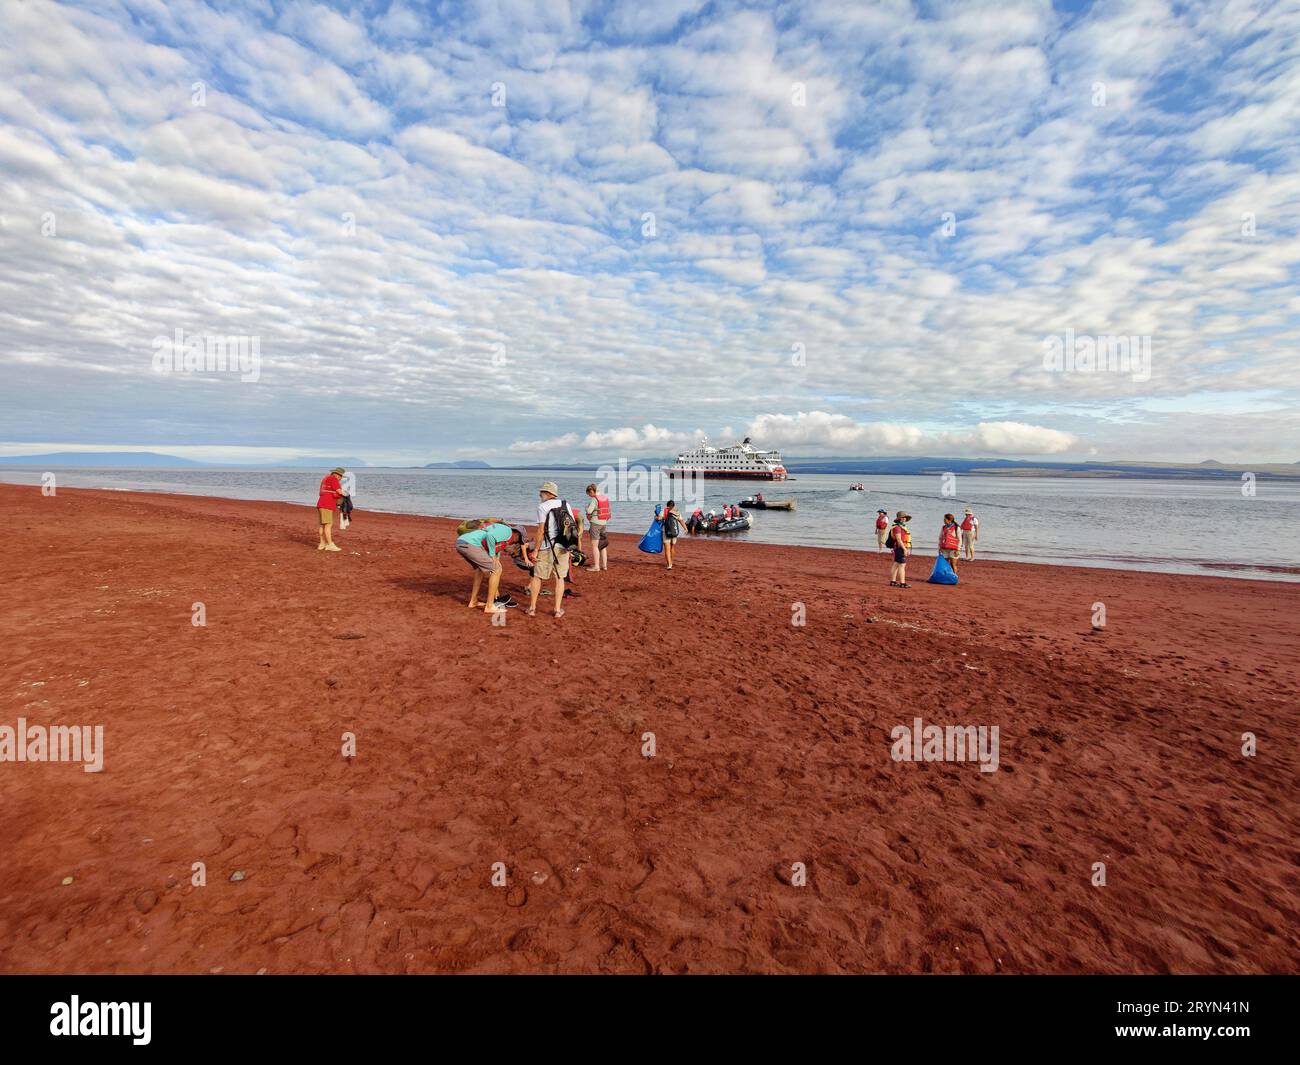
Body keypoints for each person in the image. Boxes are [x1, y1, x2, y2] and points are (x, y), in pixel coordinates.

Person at [456, 521, 524, 612]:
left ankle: (473, 601)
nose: (516, 543)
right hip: (470, 544)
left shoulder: (501, 534)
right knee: (497, 570)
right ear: (516, 534)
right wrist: (492, 556)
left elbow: (495, 550)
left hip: (461, 542)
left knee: (480, 569)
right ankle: (489, 606)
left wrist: (495, 558)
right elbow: (490, 537)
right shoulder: (508, 532)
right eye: (518, 540)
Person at [528, 481, 571, 618]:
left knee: (537, 576)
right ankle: (557, 610)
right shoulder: (565, 505)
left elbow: (540, 530)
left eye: (541, 492)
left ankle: (532, 608)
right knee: (560, 577)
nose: (540, 495)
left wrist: (535, 550)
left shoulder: (542, 507)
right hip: (563, 546)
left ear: (548, 493)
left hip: (547, 546)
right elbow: (570, 527)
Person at [316, 467, 347, 551]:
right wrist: (346, 495)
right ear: (337, 475)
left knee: (322, 524)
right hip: (327, 504)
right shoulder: (333, 479)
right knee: (328, 524)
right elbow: (339, 491)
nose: (340, 479)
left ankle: (322, 544)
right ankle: (330, 544)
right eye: (340, 477)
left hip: (321, 503)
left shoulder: (326, 479)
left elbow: (323, 492)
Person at [585, 483, 610, 571]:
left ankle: (596, 566)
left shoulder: (594, 499)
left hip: (595, 523)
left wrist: (586, 508)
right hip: (604, 523)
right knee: (603, 545)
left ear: (592, 491)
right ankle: (604, 565)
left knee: (594, 545)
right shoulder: (605, 498)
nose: (589, 495)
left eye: (589, 494)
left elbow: (589, 511)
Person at [889, 511, 912, 588]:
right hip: (900, 548)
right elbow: (899, 540)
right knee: (902, 565)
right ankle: (902, 583)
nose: (904, 519)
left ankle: (893, 581)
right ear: (899, 518)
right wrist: (905, 549)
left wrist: (906, 548)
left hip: (898, 548)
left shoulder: (900, 527)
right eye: (902, 517)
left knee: (896, 564)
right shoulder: (897, 528)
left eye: (905, 517)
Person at [660, 499, 684, 569]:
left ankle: (669, 565)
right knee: (672, 547)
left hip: (666, 532)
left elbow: (659, 518)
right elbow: (681, 520)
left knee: (667, 549)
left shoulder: (664, 510)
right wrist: (685, 528)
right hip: (674, 532)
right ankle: (671, 562)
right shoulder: (676, 511)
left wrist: (657, 517)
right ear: (673, 505)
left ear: (667, 505)